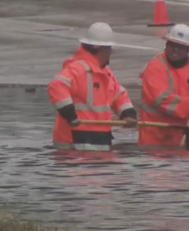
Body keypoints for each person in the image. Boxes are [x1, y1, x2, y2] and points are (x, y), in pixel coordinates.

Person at [48, 22, 138, 152]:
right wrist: (70, 115)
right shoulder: (78, 69)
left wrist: (128, 114)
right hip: (73, 143)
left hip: (98, 141)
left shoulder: (105, 72)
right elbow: (57, 86)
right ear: (101, 49)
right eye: (109, 48)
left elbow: (118, 94)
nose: (110, 52)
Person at [138, 24, 189, 148]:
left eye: (180, 47)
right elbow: (163, 101)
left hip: (187, 136)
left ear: (188, 49)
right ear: (166, 45)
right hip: (156, 139)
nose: (175, 50)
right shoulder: (154, 67)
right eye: (172, 45)